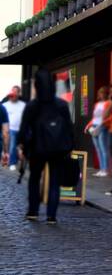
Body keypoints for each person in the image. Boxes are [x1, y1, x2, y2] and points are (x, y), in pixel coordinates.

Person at [18, 69, 75, 224]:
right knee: (54, 182)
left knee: (34, 179)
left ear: (37, 85)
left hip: (37, 148)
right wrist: (70, 147)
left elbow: (23, 129)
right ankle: (51, 216)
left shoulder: (32, 106)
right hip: (57, 149)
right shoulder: (62, 104)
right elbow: (69, 128)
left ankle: (33, 211)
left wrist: (22, 146)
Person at [85, 86, 111, 176]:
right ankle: (101, 169)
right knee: (98, 149)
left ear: (106, 94)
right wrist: (88, 126)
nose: (101, 94)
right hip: (94, 126)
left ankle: (105, 170)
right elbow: (94, 118)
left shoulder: (108, 103)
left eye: (103, 92)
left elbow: (111, 117)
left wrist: (102, 123)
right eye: (100, 93)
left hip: (103, 127)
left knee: (103, 148)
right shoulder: (97, 104)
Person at [4, 86, 25, 170]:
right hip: (11, 129)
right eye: (13, 92)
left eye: (16, 92)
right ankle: (12, 163)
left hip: (21, 129)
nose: (14, 94)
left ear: (19, 94)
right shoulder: (5, 105)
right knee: (12, 146)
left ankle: (16, 160)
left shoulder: (23, 105)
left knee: (19, 147)